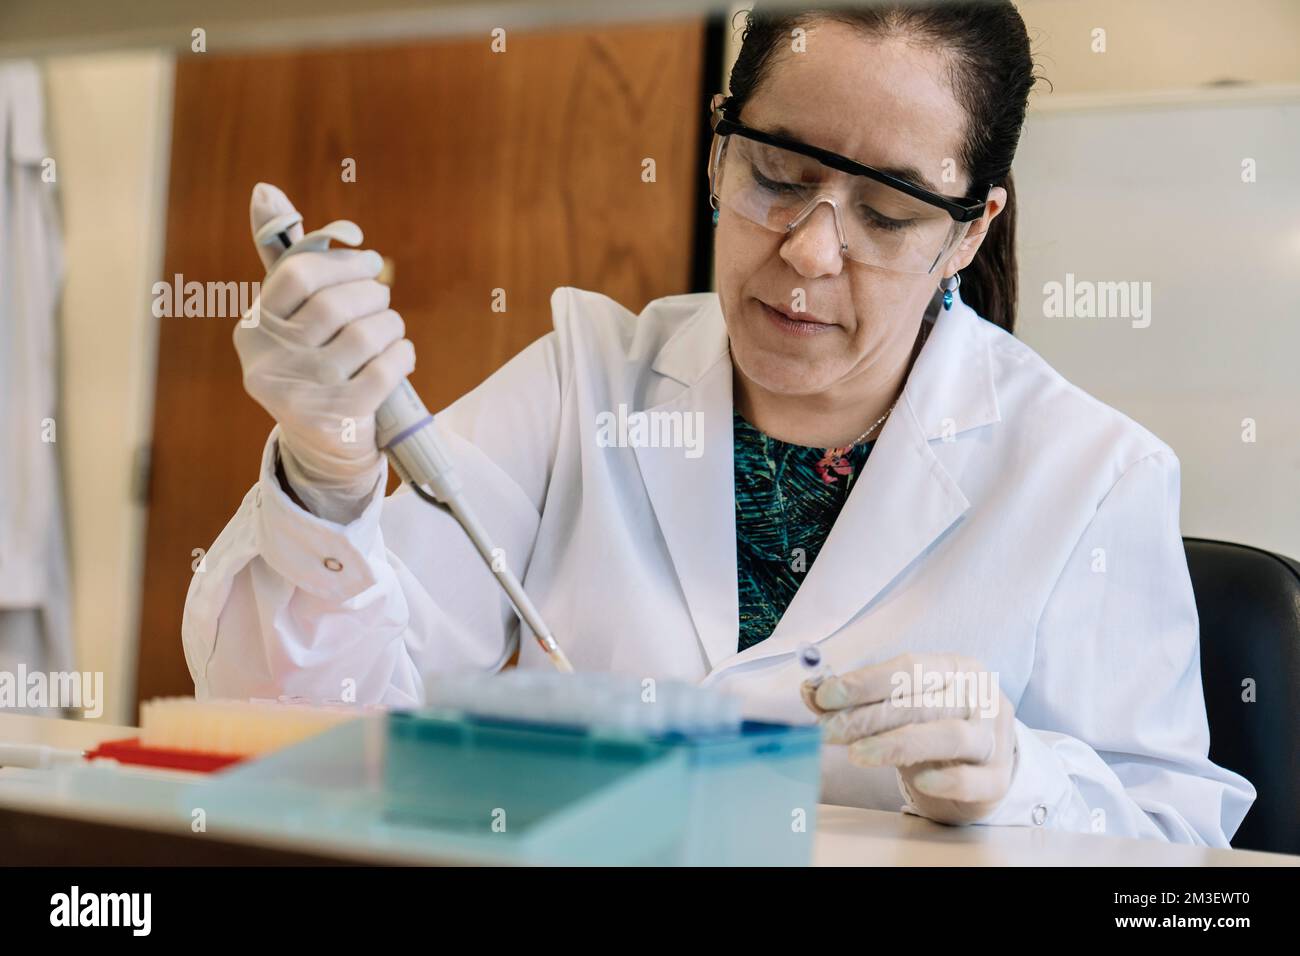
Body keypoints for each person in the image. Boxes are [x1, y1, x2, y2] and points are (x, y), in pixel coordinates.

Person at [182, 2, 1254, 844]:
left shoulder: (1089, 472)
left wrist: (1019, 774)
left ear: (969, 232)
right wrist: (327, 476)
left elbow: (1181, 850)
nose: (808, 252)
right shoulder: (581, 380)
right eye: (777, 177)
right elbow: (309, 726)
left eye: (884, 213)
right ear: (714, 156)